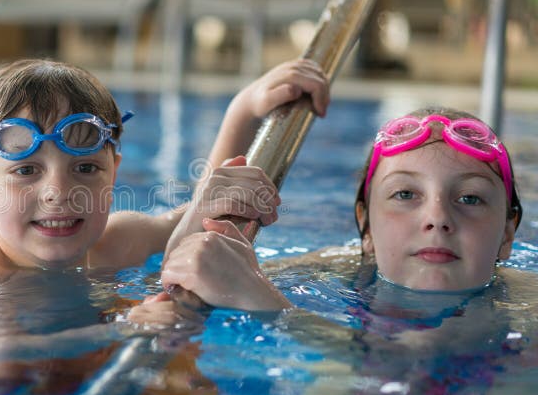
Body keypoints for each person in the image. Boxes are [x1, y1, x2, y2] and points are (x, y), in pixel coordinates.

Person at [0, 57, 328, 297]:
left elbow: (197, 213)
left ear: (113, 176)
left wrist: (243, 112)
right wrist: (129, 328)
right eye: (26, 170)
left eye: (86, 168)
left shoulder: (119, 241)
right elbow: (9, 369)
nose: (58, 193)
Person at [161, 105, 523, 307]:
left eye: (470, 198)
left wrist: (265, 305)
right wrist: (195, 218)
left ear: (507, 233)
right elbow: (172, 283)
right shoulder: (325, 272)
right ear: (366, 227)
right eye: (405, 195)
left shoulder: (527, 308)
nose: (438, 218)